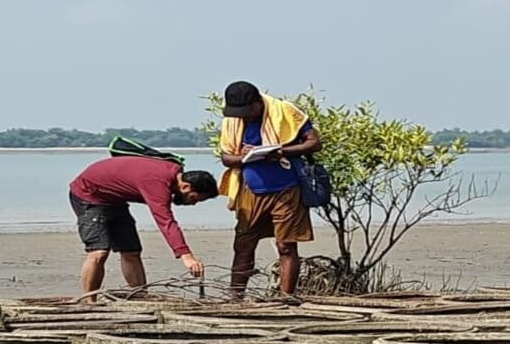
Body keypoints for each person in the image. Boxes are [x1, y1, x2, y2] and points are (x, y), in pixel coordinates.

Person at [218, 81, 322, 297]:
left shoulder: (284, 112)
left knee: (286, 245)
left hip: (286, 189)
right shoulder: (232, 122)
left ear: (258, 103)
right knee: (243, 244)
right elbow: (227, 158)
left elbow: (313, 143)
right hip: (250, 190)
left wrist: (282, 151)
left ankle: (286, 298)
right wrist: (245, 156)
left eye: (248, 112)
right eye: (239, 113)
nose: (244, 117)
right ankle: (235, 297)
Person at [68, 155, 218, 298]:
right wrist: (186, 256)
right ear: (186, 186)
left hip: (114, 199)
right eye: (194, 199)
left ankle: (140, 296)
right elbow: (166, 222)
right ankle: (89, 301)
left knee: (131, 251)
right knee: (99, 252)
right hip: (88, 194)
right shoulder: (158, 183)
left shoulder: (172, 173)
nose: (192, 204)